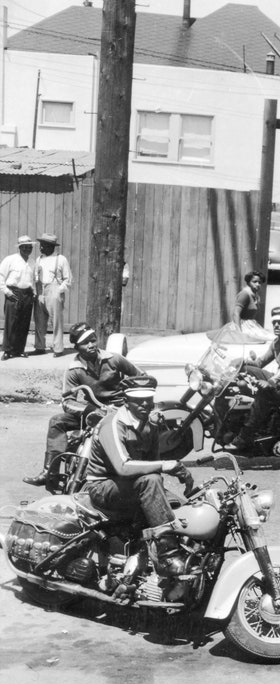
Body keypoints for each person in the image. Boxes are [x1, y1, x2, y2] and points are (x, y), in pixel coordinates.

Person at [82, 375, 190, 575]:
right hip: (103, 486)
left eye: (148, 400)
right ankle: (168, 555)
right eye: (138, 401)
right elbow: (123, 467)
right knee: (152, 480)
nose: (144, 405)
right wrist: (167, 465)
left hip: (133, 485)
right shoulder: (113, 424)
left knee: (184, 508)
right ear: (126, 401)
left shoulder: (150, 424)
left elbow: (151, 464)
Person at [23, 322, 146, 486]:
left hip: (120, 410)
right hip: (94, 411)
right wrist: (91, 410)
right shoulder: (74, 369)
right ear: (76, 347)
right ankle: (49, 473)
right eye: (85, 342)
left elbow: (142, 377)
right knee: (57, 422)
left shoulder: (114, 359)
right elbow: (67, 402)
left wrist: (130, 396)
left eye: (93, 340)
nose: (91, 345)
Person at [232, 306, 280, 451]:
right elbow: (260, 363)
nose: (277, 326)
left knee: (263, 395)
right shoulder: (276, 342)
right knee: (245, 370)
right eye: (274, 323)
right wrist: (244, 362)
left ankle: (245, 436)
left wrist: (270, 382)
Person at [33, 233, 72, 357]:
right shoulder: (39, 259)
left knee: (56, 321)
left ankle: (58, 349)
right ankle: (39, 347)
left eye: (45, 245)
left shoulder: (61, 259)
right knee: (39, 320)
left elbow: (68, 279)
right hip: (40, 290)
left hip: (54, 289)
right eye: (41, 245)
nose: (42, 247)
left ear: (52, 247)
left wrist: (58, 290)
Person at [0, 235, 37, 360]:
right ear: (19, 248)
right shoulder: (10, 260)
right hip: (13, 292)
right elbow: (0, 276)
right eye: (24, 247)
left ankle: (19, 350)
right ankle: (7, 350)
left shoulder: (32, 262)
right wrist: (6, 291)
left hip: (27, 293)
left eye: (29, 247)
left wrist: (33, 292)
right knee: (11, 322)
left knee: (24, 323)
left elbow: (33, 280)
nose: (27, 249)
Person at [232, 271, 273, 340]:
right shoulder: (245, 294)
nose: (257, 284)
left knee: (271, 337)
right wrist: (239, 332)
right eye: (254, 282)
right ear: (248, 282)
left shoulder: (255, 295)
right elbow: (236, 313)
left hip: (251, 325)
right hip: (242, 326)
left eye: (260, 282)